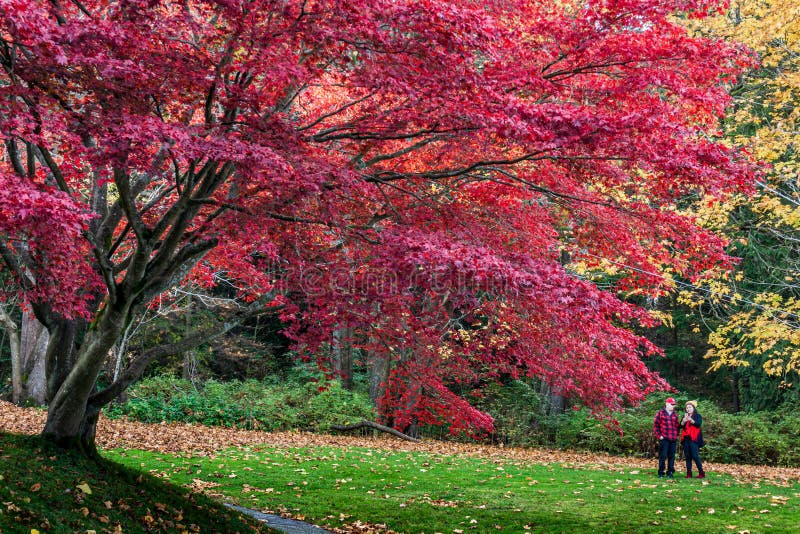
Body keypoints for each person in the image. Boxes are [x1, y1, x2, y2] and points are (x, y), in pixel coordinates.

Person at [653, 397, 679, 478]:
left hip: (673, 439)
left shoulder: (675, 414)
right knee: (663, 456)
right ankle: (661, 472)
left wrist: (676, 435)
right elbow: (655, 425)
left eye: (674, 405)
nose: (673, 406)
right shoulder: (660, 413)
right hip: (664, 438)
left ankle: (670, 472)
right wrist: (659, 436)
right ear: (667, 404)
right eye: (672, 404)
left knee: (671, 456)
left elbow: (677, 426)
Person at [680, 400, 705, 478]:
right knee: (688, 457)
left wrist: (690, 419)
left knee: (695, 456)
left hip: (694, 439)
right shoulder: (684, 416)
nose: (688, 409)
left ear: (693, 408)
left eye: (690, 407)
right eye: (687, 408)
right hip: (686, 439)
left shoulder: (698, 416)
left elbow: (698, 424)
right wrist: (683, 421)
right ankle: (689, 474)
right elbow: (680, 426)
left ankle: (701, 473)